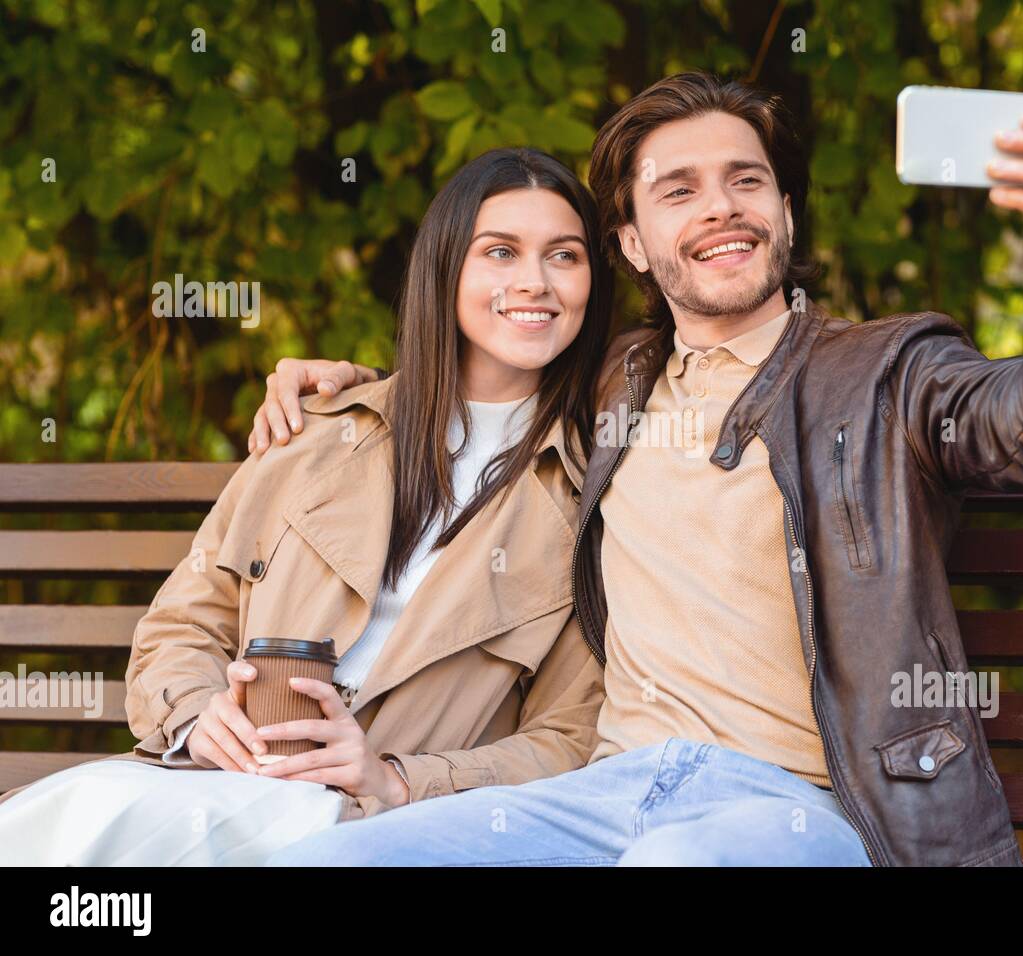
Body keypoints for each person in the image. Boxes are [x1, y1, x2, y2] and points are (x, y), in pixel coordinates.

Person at [261, 72, 1023, 867]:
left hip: (797, 811)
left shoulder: (888, 372)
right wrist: (346, 384)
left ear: (786, 213)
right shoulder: (613, 382)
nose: (721, 207)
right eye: (679, 191)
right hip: (597, 799)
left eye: (745, 181)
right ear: (635, 246)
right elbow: (485, 371)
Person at [0, 147, 612, 865]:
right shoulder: (314, 434)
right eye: (500, 252)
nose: (533, 282)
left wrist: (397, 780)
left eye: (564, 256)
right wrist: (197, 719)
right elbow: (185, 622)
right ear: (446, 269)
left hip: (388, 831)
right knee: (74, 821)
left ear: (592, 281)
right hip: (221, 784)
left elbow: (572, 735)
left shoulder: (592, 501)